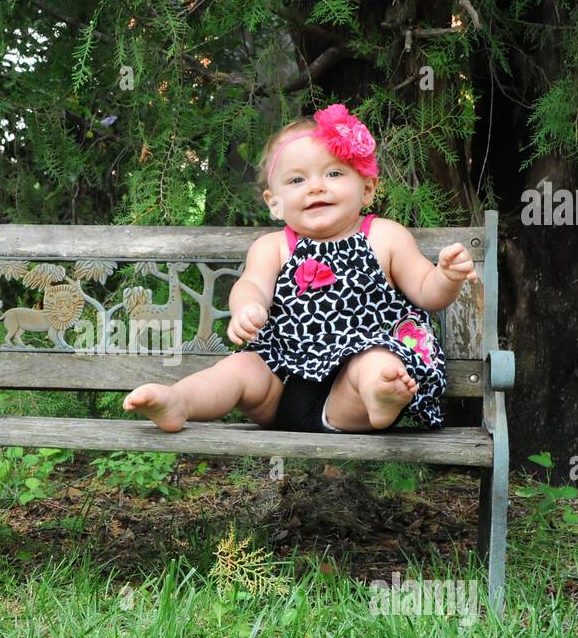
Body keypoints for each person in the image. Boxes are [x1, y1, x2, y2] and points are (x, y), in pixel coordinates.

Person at [123, 103, 479, 434]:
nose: (316, 187)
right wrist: (247, 308)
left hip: (344, 395)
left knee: (375, 363)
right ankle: (179, 402)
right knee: (237, 369)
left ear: (367, 189)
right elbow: (251, 285)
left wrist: (445, 276)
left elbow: (427, 293)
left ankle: (380, 397)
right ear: (274, 202)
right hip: (279, 384)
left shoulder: (386, 237)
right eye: (297, 180)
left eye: (334, 173)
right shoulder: (273, 246)